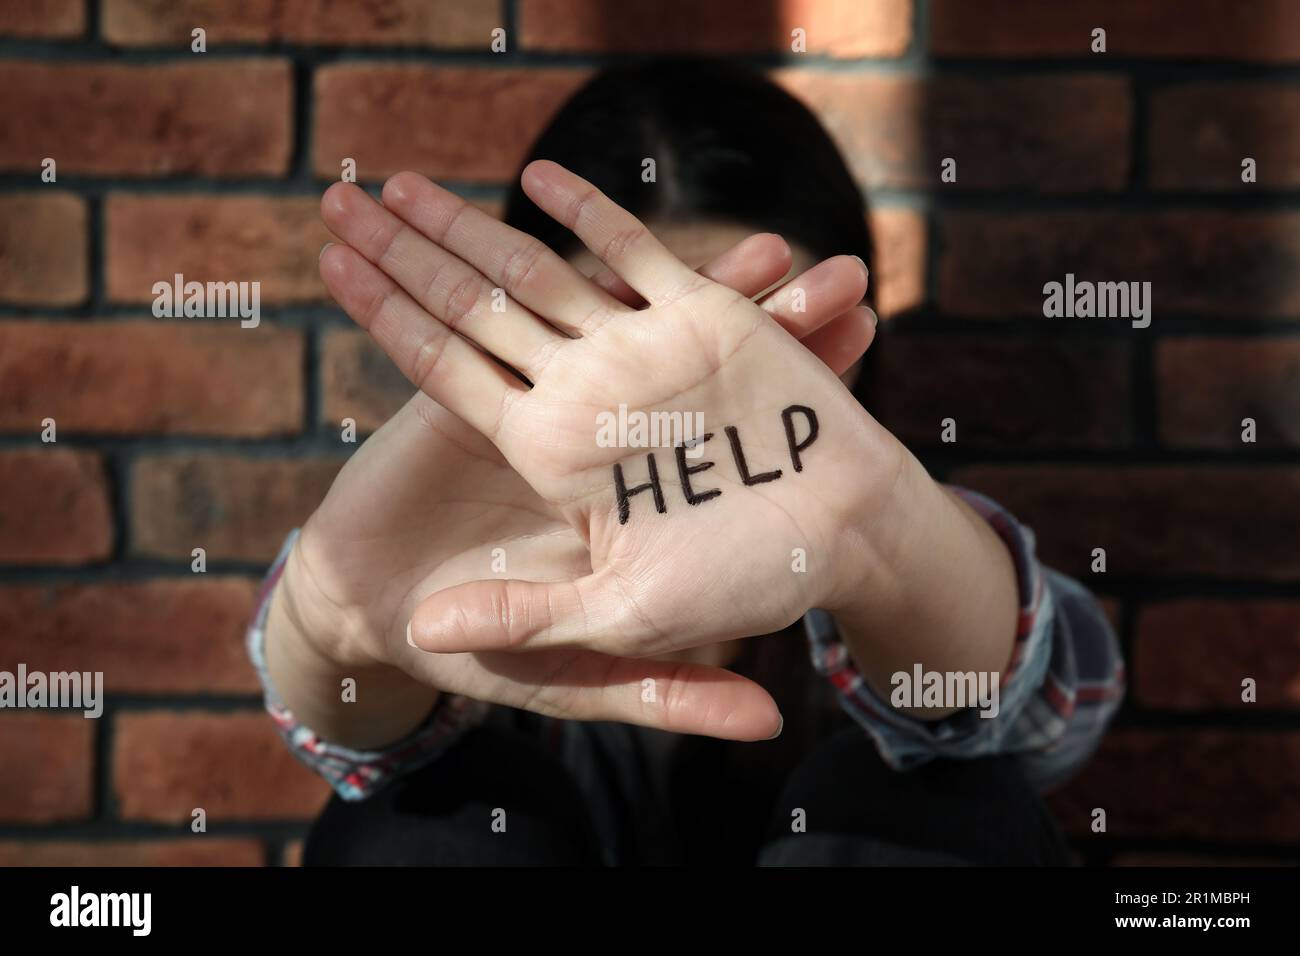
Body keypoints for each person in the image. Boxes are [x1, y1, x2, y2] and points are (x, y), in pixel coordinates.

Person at [248, 59, 1124, 866]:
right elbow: (355, 737)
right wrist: (334, 622)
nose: (678, 397)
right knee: (419, 820)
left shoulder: (883, 536)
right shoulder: (481, 548)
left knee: (933, 798)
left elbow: (1058, 708)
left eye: (760, 328)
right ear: (512, 335)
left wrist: (883, 531)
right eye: (621, 321)